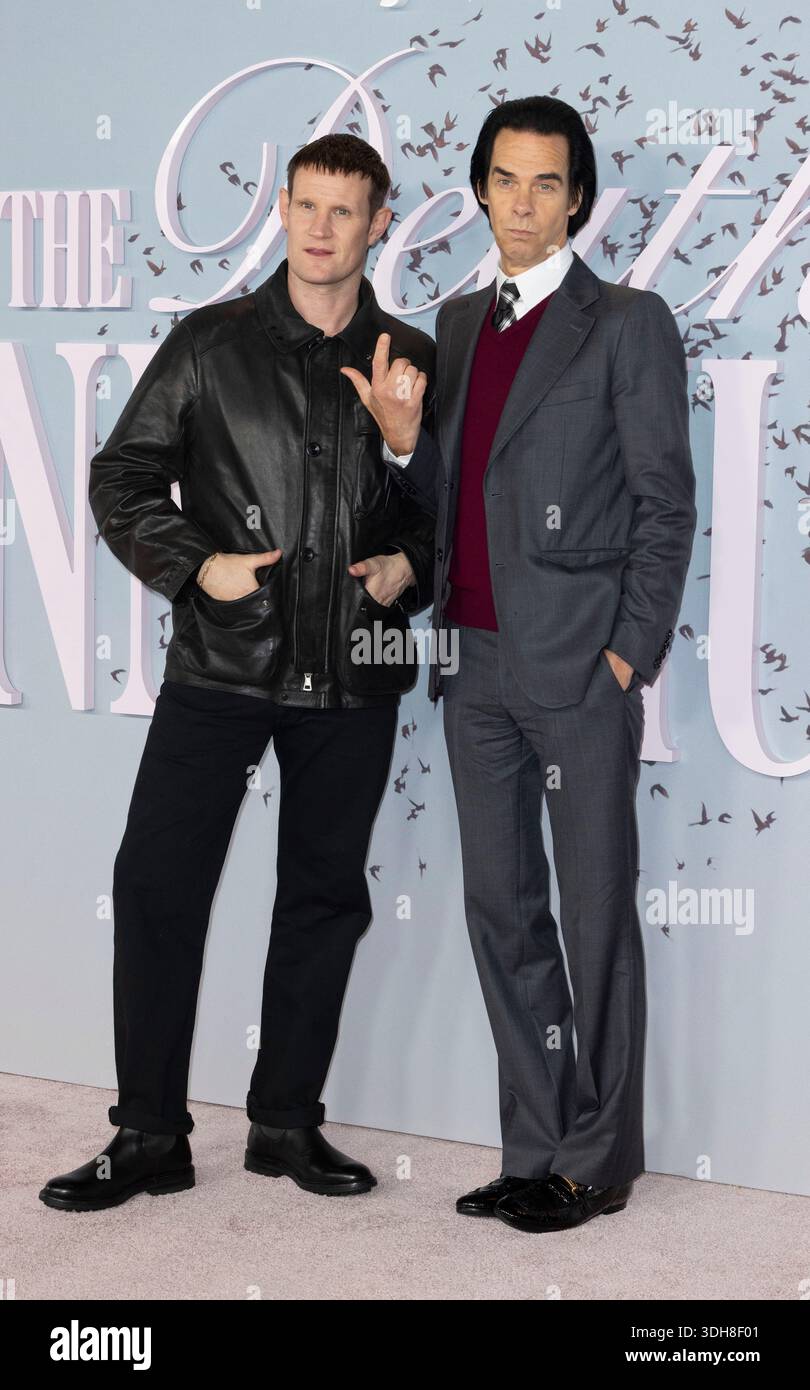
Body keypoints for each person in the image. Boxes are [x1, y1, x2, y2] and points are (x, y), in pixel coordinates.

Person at [39, 133, 436, 1212]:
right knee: (156, 881)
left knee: (321, 895)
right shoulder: (211, 345)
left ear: (377, 225)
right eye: (304, 205)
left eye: (343, 211)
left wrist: (405, 487)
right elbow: (120, 475)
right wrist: (195, 564)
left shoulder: (410, 355)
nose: (318, 227)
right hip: (222, 664)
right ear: (284, 212)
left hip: (352, 673)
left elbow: (442, 534)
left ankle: (286, 1122)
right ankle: (150, 1133)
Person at [343, 95, 697, 1233]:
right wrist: (405, 444)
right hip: (476, 668)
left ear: (579, 198)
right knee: (504, 914)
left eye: (547, 183)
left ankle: (599, 1159)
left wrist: (626, 657)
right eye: (505, 179)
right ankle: (536, 1144)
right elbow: (444, 501)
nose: (522, 203)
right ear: (481, 188)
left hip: (578, 673)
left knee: (594, 917)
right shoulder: (453, 325)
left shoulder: (628, 323)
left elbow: (664, 506)